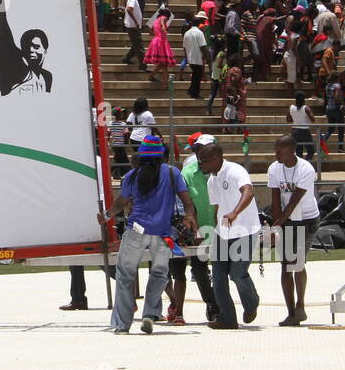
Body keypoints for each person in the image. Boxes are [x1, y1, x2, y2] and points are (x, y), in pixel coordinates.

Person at [99, 136, 191, 334]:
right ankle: (150, 314)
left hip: (137, 230)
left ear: (141, 156)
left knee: (125, 275)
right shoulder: (172, 172)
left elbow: (121, 202)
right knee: (159, 274)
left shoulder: (132, 176)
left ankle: (122, 324)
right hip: (163, 233)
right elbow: (186, 199)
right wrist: (190, 217)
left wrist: (106, 215)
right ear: (160, 156)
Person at [199, 141, 260, 329]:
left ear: (215, 158)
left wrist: (235, 212)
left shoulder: (235, 171)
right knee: (218, 277)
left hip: (245, 230)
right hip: (222, 232)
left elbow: (248, 192)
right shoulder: (211, 179)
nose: (202, 165)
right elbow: (217, 207)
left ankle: (251, 304)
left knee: (237, 273)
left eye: (204, 161)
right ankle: (227, 318)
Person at [165, 133, 219, 324]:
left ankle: (221, 303)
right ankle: (211, 305)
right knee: (199, 268)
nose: (198, 153)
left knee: (223, 271)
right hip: (198, 230)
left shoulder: (226, 171)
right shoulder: (187, 172)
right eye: (196, 149)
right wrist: (194, 229)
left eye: (201, 149)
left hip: (222, 229)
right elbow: (187, 204)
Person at [268, 134, 320, 326]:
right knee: (285, 265)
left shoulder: (305, 169)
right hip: (286, 220)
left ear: (291, 150)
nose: (276, 154)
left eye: (280, 150)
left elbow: (293, 201)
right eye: (275, 150)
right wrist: (275, 227)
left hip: (306, 219)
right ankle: (291, 313)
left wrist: (276, 227)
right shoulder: (274, 169)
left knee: (297, 263)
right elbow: (275, 200)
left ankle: (301, 305)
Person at [143, 7, 175, 87]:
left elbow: (151, 31)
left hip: (155, 40)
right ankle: (165, 83)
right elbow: (163, 23)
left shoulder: (155, 20)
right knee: (164, 63)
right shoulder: (163, 18)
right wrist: (164, 28)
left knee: (163, 64)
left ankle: (152, 76)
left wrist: (157, 32)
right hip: (161, 42)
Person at [183, 13, 207, 98]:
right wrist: (207, 57)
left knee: (195, 75)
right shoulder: (199, 33)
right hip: (197, 58)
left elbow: (184, 48)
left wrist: (186, 58)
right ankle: (194, 93)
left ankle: (191, 91)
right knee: (197, 76)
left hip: (190, 58)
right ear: (198, 24)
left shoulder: (187, 33)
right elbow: (203, 46)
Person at [121, 0, 146, 70]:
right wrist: (136, 22)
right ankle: (143, 64)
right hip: (133, 27)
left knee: (135, 45)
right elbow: (129, 9)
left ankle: (126, 58)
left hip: (134, 27)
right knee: (139, 46)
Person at [287, 92, 316, 159]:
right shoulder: (306, 108)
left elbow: (288, 120)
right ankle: (305, 165)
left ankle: (299, 168)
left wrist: (296, 118)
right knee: (311, 151)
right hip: (304, 131)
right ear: (304, 99)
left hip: (294, 131)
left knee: (298, 152)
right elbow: (313, 119)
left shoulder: (291, 108)